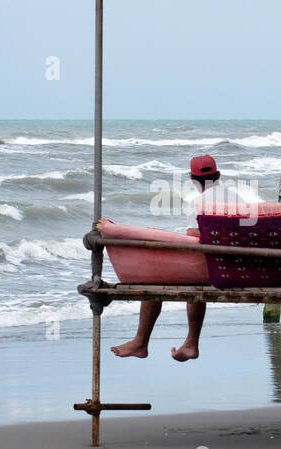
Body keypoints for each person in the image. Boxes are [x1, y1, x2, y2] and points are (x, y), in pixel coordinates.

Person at [110, 154, 260, 362]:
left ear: (192, 179)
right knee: (197, 272)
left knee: (154, 278)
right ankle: (190, 342)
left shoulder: (198, 203)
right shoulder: (238, 199)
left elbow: (193, 241)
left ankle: (141, 342)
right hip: (236, 268)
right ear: (218, 175)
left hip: (212, 272)